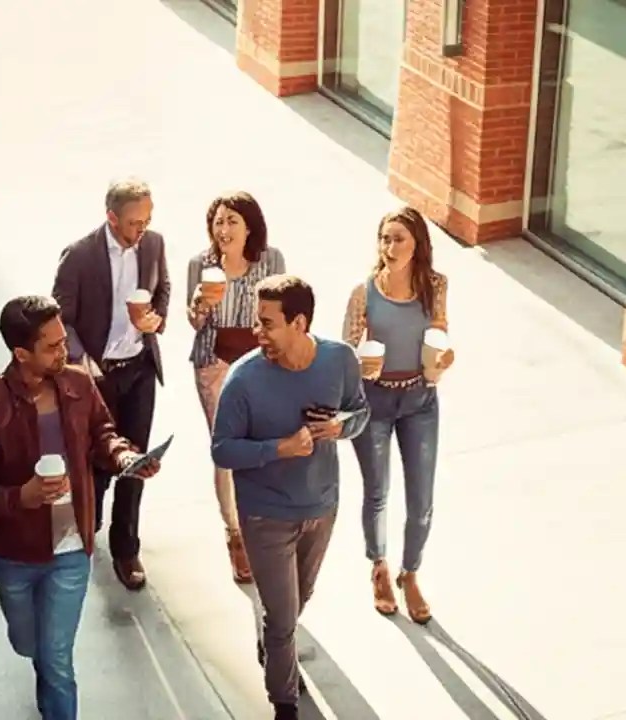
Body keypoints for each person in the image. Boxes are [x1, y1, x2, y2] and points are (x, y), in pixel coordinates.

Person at [0, 295, 160, 720]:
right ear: (21, 353)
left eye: (64, 341)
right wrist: (19, 497)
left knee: (57, 658)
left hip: (72, 548)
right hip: (15, 554)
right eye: (53, 346)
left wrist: (123, 457)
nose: (65, 351)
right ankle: (40, 664)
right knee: (29, 644)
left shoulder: (78, 384)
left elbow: (102, 434)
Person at [212, 275, 370, 720]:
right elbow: (222, 450)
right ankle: (284, 703)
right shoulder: (243, 380)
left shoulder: (340, 360)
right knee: (283, 621)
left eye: (267, 324)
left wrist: (340, 427)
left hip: (321, 506)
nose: (256, 333)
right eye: (256, 322)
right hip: (266, 514)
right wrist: (279, 448)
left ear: (299, 323)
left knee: (297, 601)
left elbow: (361, 411)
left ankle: (273, 645)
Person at [52, 177, 170, 591]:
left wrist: (156, 319)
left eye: (147, 220)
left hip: (139, 369)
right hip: (97, 376)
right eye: (135, 222)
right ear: (112, 218)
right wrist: (83, 364)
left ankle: (126, 548)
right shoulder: (80, 256)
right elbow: (61, 319)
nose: (142, 229)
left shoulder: (153, 244)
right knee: (98, 461)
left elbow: (163, 288)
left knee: (137, 461)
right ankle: (90, 525)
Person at [342, 207, 455, 624]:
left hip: (420, 400)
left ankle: (410, 574)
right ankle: (379, 567)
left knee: (421, 499)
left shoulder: (435, 286)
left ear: (417, 244)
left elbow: (439, 336)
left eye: (398, 239)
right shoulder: (364, 293)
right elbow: (346, 353)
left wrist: (442, 361)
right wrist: (361, 364)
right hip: (374, 402)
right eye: (384, 238)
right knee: (377, 492)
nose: (389, 247)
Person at [186, 191, 286, 584]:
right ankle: (235, 533)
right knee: (228, 450)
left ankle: (263, 524)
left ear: (249, 227)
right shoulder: (201, 264)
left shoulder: (271, 261)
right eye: (218, 222)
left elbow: (284, 311)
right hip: (216, 363)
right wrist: (200, 304)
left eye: (232, 221)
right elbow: (195, 323)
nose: (223, 229)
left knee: (266, 444)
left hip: (261, 362)